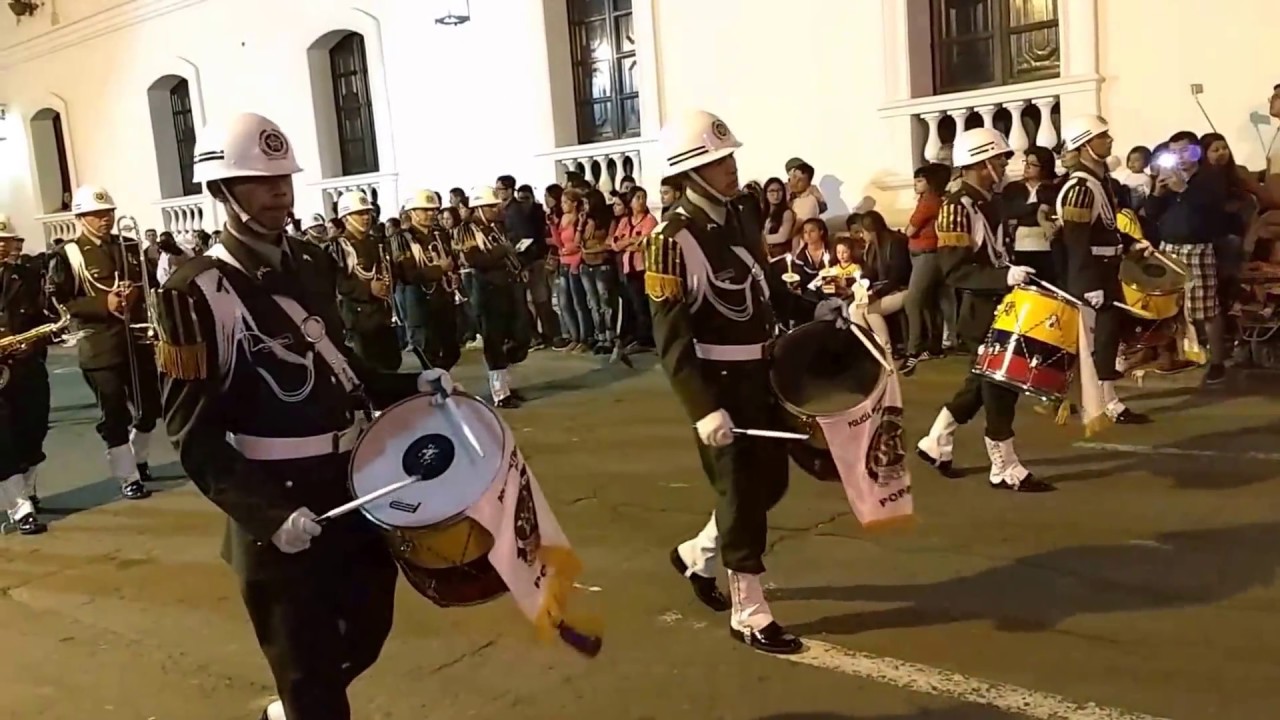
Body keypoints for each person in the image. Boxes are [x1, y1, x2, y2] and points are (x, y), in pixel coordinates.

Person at [153, 111, 455, 720]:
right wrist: (268, 515)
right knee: (310, 672)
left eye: (284, 179)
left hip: (351, 485)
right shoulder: (196, 291)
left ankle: (298, 704)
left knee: (368, 628)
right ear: (222, 191)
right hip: (278, 502)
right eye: (260, 182)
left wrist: (409, 385)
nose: (279, 193)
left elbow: (339, 366)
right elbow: (193, 435)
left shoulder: (312, 262)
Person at [648, 109, 801, 655]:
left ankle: (698, 554)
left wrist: (817, 307)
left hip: (761, 374)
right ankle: (750, 612)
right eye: (718, 161)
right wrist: (702, 408)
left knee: (770, 485)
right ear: (689, 172)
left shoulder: (738, 215)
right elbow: (671, 340)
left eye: (730, 156)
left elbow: (765, 288)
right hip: (719, 383)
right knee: (739, 493)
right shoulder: (670, 239)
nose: (731, 166)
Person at [915, 127, 1053, 493]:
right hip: (980, 310)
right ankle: (1004, 466)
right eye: (999, 160)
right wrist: (1003, 276)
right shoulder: (956, 208)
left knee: (981, 382)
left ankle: (936, 440)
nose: (1005, 165)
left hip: (1003, 303)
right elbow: (954, 271)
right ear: (981, 163)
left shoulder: (987, 200)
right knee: (1001, 387)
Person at [47, 184, 159, 499]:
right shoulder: (68, 253)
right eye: (96, 214)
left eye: (108, 212)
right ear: (81, 218)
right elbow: (58, 303)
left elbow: (150, 281)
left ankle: (138, 457)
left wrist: (134, 294)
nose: (104, 219)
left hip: (136, 338)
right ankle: (128, 476)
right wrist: (102, 304)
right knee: (114, 412)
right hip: (99, 345)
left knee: (150, 407)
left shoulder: (128, 245)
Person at [1056, 115, 1152, 426]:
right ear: (1085, 145)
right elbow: (1076, 241)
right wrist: (1089, 283)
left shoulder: (1099, 182)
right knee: (1092, 342)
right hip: (1092, 273)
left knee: (1107, 339)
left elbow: (1106, 229)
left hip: (1107, 269)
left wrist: (1132, 242)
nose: (1109, 140)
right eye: (1101, 136)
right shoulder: (1081, 187)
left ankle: (1104, 398)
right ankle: (1096, 401)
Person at [451, 186, 530, 407]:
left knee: (520, 335)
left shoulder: (496, 227)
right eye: (492, 206)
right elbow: (474, 259)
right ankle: (500, 393)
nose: (498, 208)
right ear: (480, 208)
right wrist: (503, 250)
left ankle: (505, 381)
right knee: (494, 341)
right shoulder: (466, 230)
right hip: (487, 290)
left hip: (507, 286)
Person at [0, 224, 53, 535]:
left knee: (34, 431)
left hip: (26, 367)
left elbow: (42, 320)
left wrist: (32, 344)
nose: (2, 246)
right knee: (3, 442)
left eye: (6, 240)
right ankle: (21, 509)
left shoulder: (27, 277)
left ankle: (28, 488)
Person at [333, 190, 401, 371]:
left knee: (392, 363)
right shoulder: (338, 247)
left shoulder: (377, 242)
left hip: (382, 314)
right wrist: (368, 288)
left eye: (367, 213)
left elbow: (389, 270)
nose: (366, 217)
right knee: (370, 369)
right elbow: (339, 283)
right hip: (359, 319)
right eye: (360, 213)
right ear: (346, 218)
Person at [397, 190, 461, 369]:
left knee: (452, 351)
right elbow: (408, 274)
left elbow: (451, 260)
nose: (431, 214)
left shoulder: (440, 235)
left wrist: (453, 275)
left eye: (433, 210)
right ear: (412, 212)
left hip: (443, 299)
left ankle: (440, 379)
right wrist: (439, 270)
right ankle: (435, 384)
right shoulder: (402, 239)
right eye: (425, 210)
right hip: (421, 303)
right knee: (429, 354)